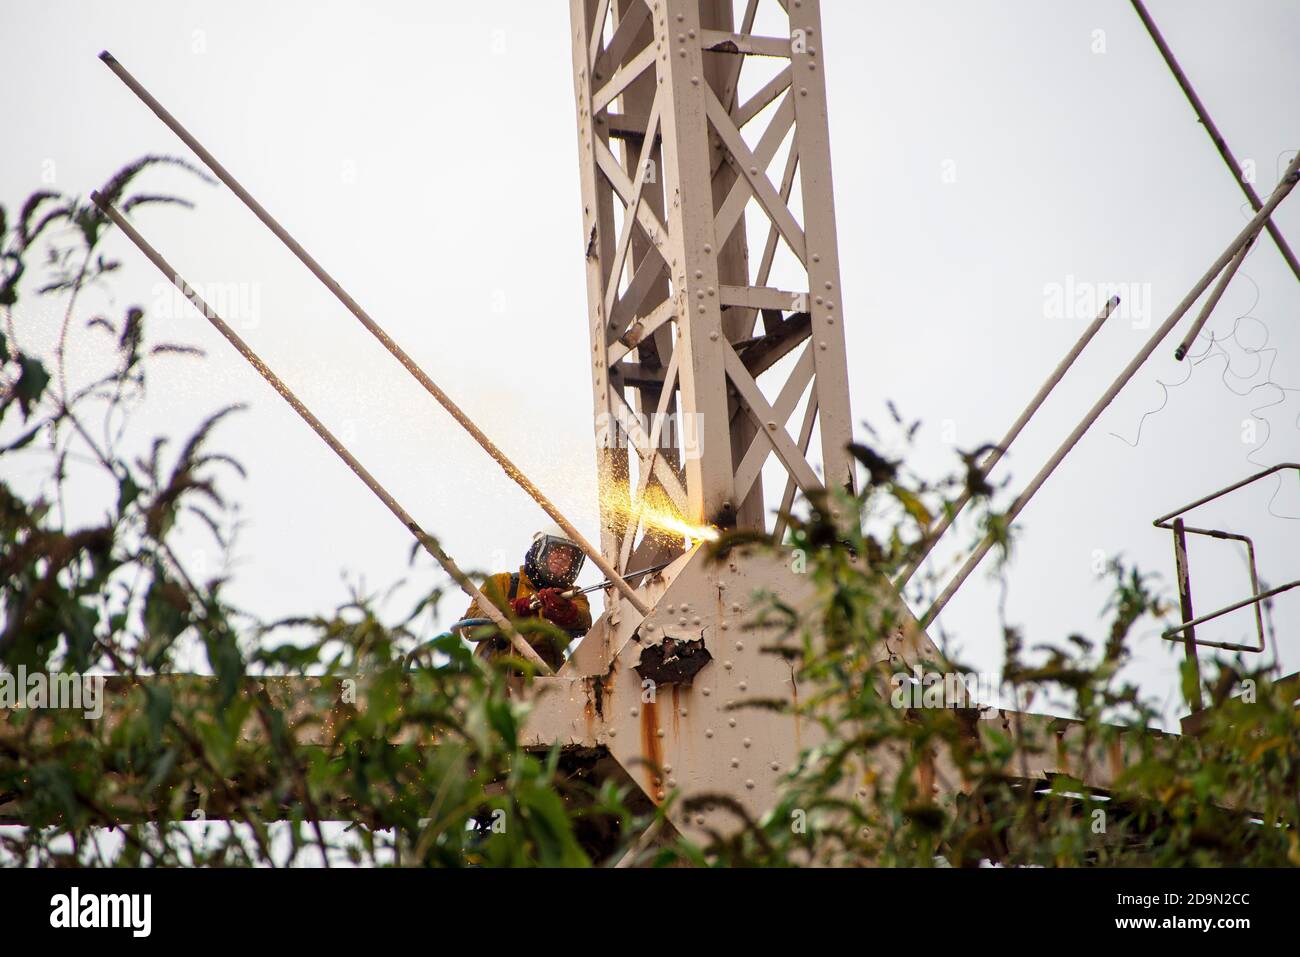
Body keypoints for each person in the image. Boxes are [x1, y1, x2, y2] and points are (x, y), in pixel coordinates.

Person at [460, 525, 593, 670]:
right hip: (492, 682)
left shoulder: (574, 597)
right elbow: (470, 630)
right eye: (557, 550)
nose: (563, 557)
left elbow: (583, 621)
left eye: (571, 555)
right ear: (538, 550)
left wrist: (566, 611)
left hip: (544, 684)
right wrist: (513, 609)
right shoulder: (502, 583)